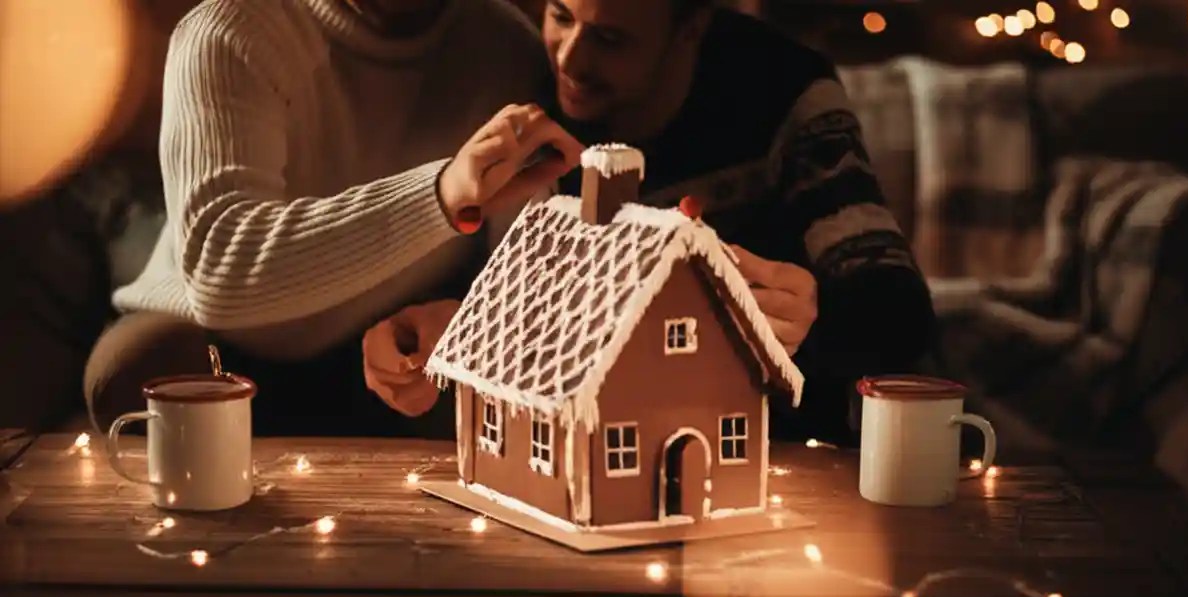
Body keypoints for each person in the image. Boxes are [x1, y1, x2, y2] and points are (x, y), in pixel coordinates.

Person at [368, 0, 936, 447]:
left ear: (691, 28)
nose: (570, 59)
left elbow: (898, 317)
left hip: (772, 454)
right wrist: (431, 325)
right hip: (570, 458)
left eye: (611, 39)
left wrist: (810, 318)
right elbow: (504, 282)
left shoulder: (781, 87)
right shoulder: (522, 88)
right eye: (560, 15)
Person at [86, 0, 583, 438]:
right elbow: (221, 274)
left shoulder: (504, 47)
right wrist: (440, 195)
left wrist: (454, 321)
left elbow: (525, 275)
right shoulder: (229, 30)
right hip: (217, 343)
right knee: (135, 365)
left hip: (385, 339)